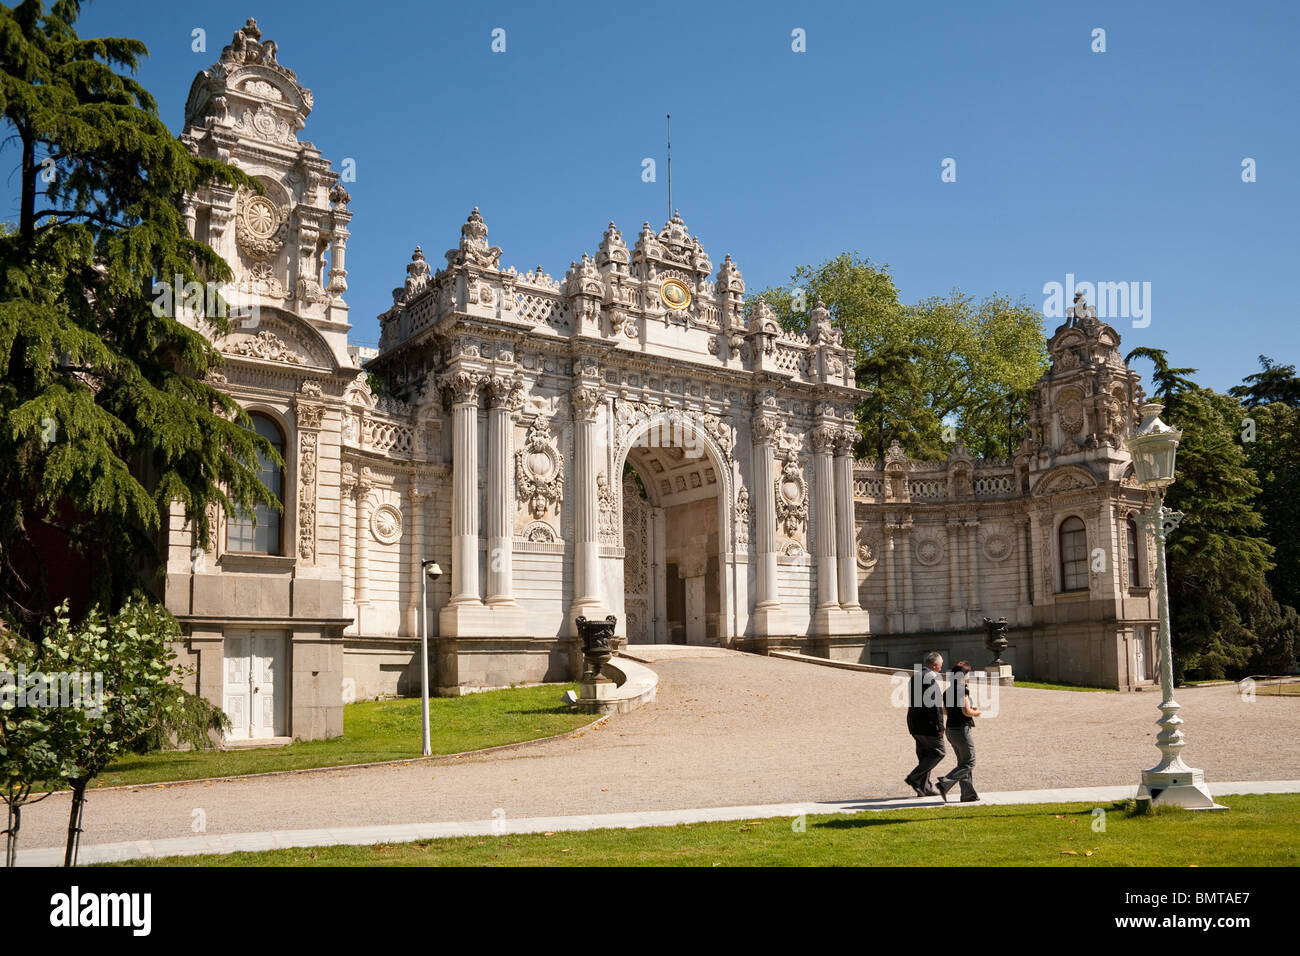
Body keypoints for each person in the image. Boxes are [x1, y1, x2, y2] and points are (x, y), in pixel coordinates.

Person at [937, 661, 981, 803]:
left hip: (950, 729)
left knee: (963, 762)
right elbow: (966, 711)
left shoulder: (947, 691)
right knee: (970, 762)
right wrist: (976, 713)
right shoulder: (963, 690)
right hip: (962, 729)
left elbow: (945, 711)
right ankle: (945, 783)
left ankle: (968, 795)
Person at [904, 651, 946, 797]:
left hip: (914, 722)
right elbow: (934, 706)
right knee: (939, 752)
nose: (941, 668)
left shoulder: (916, 676)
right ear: (934, 665)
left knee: (924, 755)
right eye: (940, 666)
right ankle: (914, 778)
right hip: (927, 725)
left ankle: (924, 788)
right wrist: (940, 727)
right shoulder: (929, 678)